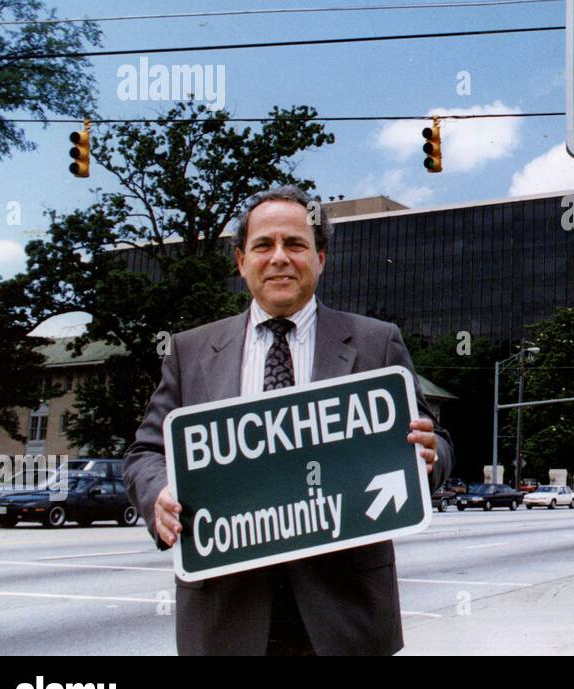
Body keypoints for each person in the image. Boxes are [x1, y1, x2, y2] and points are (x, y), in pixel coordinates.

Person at [124, 185, 453, 656]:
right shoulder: (190, 351)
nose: (279, 257)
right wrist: (158, 494)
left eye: (295, 244)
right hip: (225, 618)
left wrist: (429, 454)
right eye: (264, 245)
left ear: (319, 258)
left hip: (345, 620)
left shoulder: (377, 342)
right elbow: (145, 454)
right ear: (241, 261)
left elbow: (435, 441)